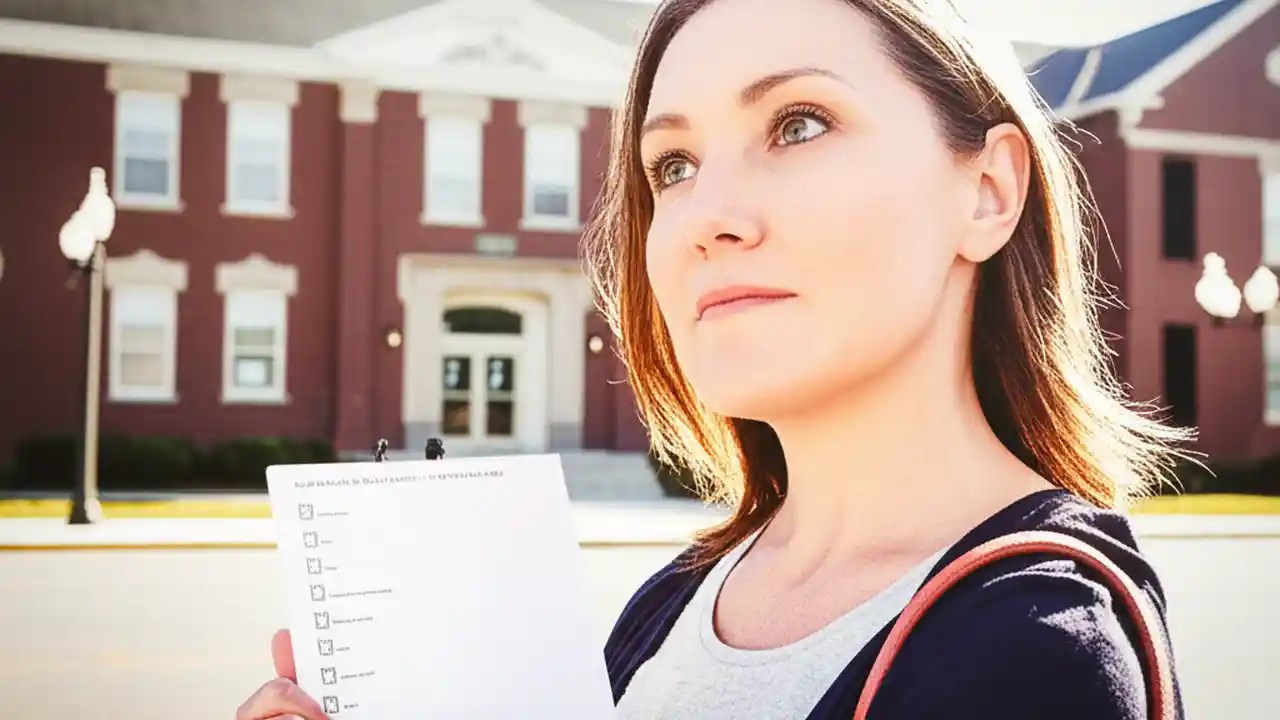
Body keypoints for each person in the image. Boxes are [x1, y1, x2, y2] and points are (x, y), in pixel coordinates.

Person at [236, 0, 1190, 717]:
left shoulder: (1031, 654)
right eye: (673, 168)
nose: (703, 218)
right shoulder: (684, 597)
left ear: (985, 191)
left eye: (798, 124)